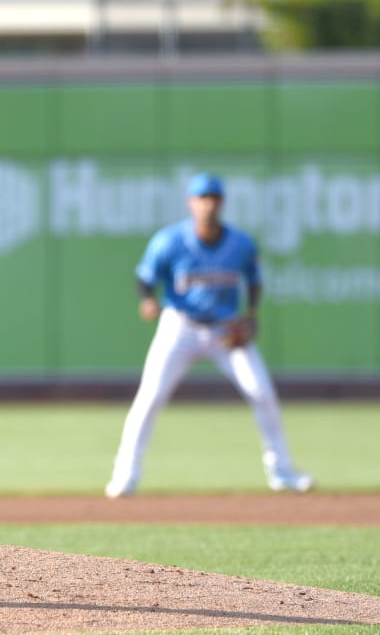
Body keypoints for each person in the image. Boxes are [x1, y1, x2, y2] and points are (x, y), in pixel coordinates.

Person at [105, 172, 314, 498]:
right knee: (150, 398)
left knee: (263, 393)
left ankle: (282, 472)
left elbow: (254, 282)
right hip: (180, 327)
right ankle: (125, 476)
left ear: (222, 203)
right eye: (202, 198)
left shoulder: (241, 244)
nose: (208, 204)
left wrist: (252, 316)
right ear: (191, 203)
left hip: (225, 330)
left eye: (214, 198)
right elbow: (145, 278)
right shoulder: (170, 241)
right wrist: (147, 300)